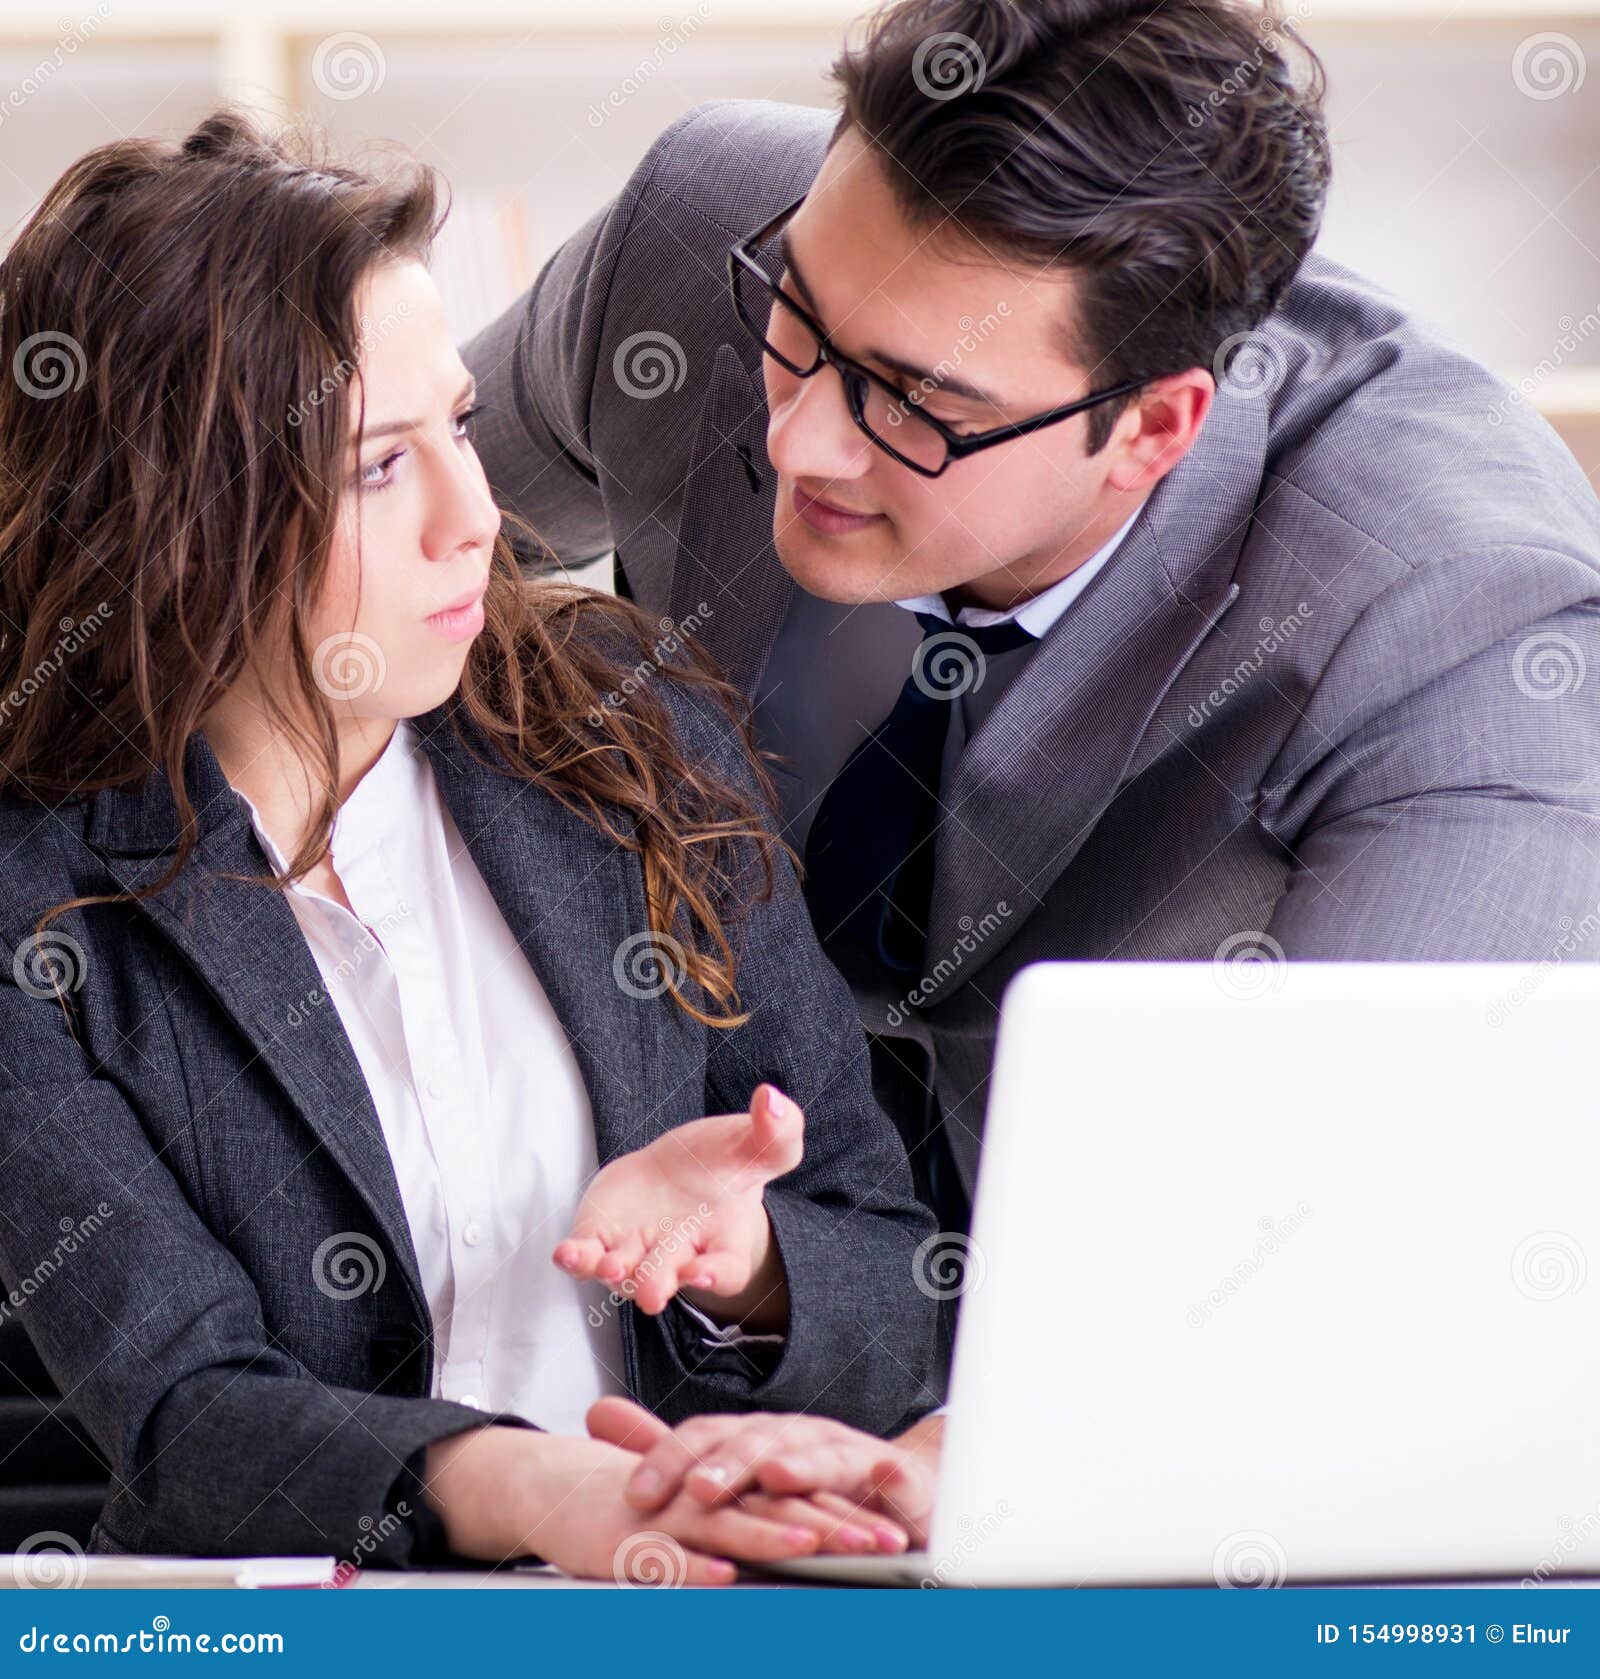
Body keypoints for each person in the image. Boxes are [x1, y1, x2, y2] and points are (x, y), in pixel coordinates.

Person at [460, 0, 1600, 1516]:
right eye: (798, 326)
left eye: (919, 406)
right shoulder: (700, 233)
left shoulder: (1462, 614)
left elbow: (1362, 1216)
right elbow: (304, 570)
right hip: (652, 1327)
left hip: (1185, 1413)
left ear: (1155, 429)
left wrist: (950, 1467)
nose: (803, 442)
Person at [0, 110, 939, 1583]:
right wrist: (556, 1495)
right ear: (175, 518)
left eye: (456, 423)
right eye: (380, 466)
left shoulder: (632, 739)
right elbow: (189, 1421)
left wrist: (745, 1270)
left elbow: (901, 1272)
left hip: (716, 1608)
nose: (477, 516)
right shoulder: (33, 899)